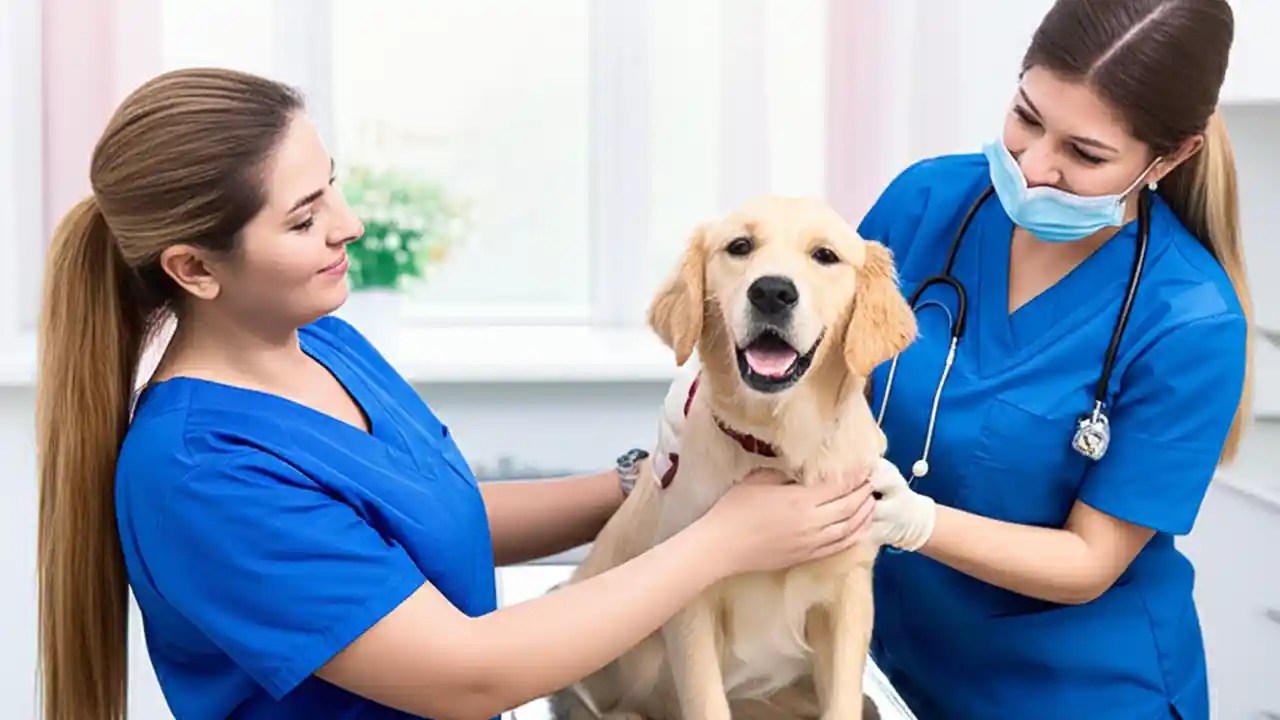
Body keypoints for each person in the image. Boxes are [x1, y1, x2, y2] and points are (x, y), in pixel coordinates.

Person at [34, 67, 878, 720]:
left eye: (332, 183)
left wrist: (652, 482)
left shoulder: (319, 342)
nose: (350, 224)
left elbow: (428, 520)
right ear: (193, 269)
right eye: (303, 218)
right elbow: (467, 676)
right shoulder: (201, 473)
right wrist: (717, 540)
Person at [655, 1, 1253, 718]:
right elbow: (815, 355)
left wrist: (915, 521)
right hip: (888, 662)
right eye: (1027, 117)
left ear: (1172, 156)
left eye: (1084, 155)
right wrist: (702, 426)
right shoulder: (928, 200)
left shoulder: (1188, 319)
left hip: (1074, 691)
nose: (1034, 168)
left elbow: (1090, 561)